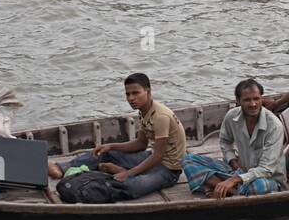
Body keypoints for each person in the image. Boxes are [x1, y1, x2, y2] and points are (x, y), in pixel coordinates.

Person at [48, 73, 186, 198]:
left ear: (148, 91)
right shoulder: (144, 112)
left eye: (136, 93)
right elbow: (140, 144)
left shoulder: (161, 116)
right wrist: (110, 146)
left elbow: (158, 156)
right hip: (151, 157)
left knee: (132, 187)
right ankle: (62, 168)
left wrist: (128, 173)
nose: (131, 98)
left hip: (168, 170)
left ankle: (99, 185)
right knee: (106, 153)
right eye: (128, 94)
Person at [182, 79, 287, 197]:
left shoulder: (274, 125)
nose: (253, 104)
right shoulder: (231, 116)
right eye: (247, 100)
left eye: (256, 99)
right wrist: (232, 160)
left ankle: (223, 188)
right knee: (188, 160)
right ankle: (232, 192)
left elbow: (266, 169)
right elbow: (225, 141)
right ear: (238, 101)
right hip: (240, 171)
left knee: (259, 187)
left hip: (267, 178)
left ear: (261, 99)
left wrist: (233, 180)